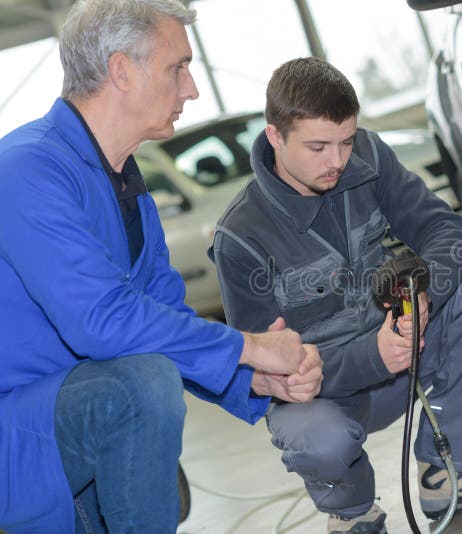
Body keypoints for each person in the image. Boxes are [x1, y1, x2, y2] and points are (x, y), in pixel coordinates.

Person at [0, 2, 322, 532]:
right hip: (20, 433)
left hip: (66, 417)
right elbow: (102, 321)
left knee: (147, 391)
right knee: (141, 387)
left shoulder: (126, 186)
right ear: (122, 70)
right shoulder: (27, 170)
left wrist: (256, 378)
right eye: (178, 67)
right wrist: (251, 346)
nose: (191, 89)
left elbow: (164, 316)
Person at [211, 56, 462, 534]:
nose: (337, 162)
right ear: (275, 137)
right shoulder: (241, 236)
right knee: (315, 436)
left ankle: (449, 472)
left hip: (410, 353)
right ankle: (352, 513)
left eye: (345, 141)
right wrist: (374, 357)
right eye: (318, 146)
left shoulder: (367, 157)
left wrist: (423, 291)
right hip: (327, 396)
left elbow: (446, 229)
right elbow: (266, 371)